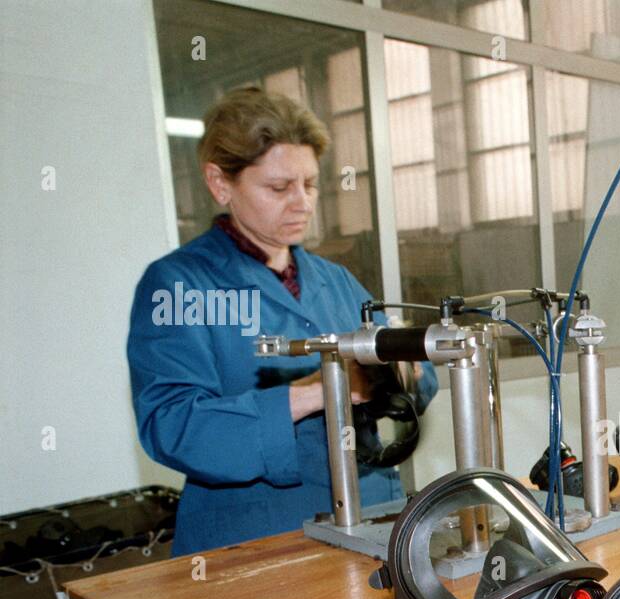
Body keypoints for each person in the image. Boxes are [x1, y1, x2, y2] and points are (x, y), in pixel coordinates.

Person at [127, 87, 434, 556]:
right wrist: (319, 390)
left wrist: (402, 372)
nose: (303, 203)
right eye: (278, 188)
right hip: (256, 536)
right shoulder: (179, 285)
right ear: (219, 182)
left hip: (370, 515)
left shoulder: (335, 280)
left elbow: (418, 376)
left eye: (310, 184)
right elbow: (173, 426)